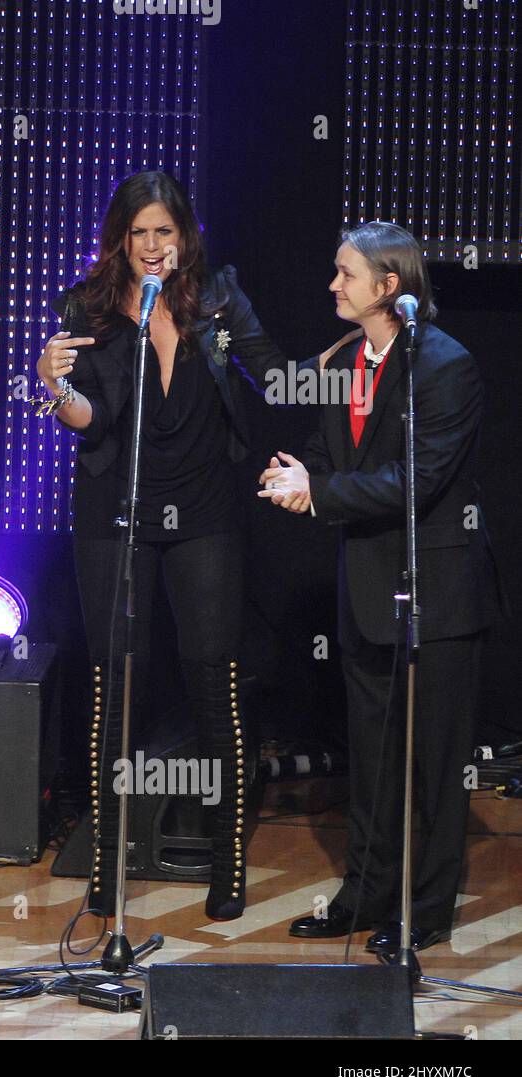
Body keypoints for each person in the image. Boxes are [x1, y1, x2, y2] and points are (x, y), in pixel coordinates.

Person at [35, 170, 287, 921]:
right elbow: (93, 420)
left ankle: (228, 861)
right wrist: (57, 391)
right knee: (116, 681)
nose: (152, 247)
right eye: (139, 234)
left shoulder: (218, 297)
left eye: (165, 233)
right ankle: (108, 862)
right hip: (118, 511)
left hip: (205, 510)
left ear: (185, 238)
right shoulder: (87, 308)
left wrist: (331, 381)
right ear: (120, 238)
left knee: (215, 678)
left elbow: (272, 374)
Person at [260, 222, 501, 953]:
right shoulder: (342, 360)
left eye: (346, 274)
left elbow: (417, 481)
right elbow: (327, 453)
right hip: (366, 592)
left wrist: (322, 492)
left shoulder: (443, 366)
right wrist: (296, 482)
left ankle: (425, 909)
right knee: (371, 758)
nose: (333, 285)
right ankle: (363, 893)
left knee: (433, 764)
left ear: (388, 287)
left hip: (439, 594)